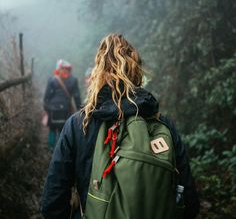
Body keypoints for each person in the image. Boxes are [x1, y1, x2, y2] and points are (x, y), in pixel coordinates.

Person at [42, 34, 199, 219]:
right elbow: (190, 202)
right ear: (137, 72)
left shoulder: (79, 124)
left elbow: (53, 201)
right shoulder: (163, 125)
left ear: (97, 72)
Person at [43, 59, 81, 151]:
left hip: (53, 110)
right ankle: (61, 149)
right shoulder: (73, 80)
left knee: (52, 129)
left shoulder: (52, 80)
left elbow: (46, 98)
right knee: (63, 130)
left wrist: (47, 110)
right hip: (66, 110)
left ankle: (51, 148)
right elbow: (77, 97)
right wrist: (80, 111)